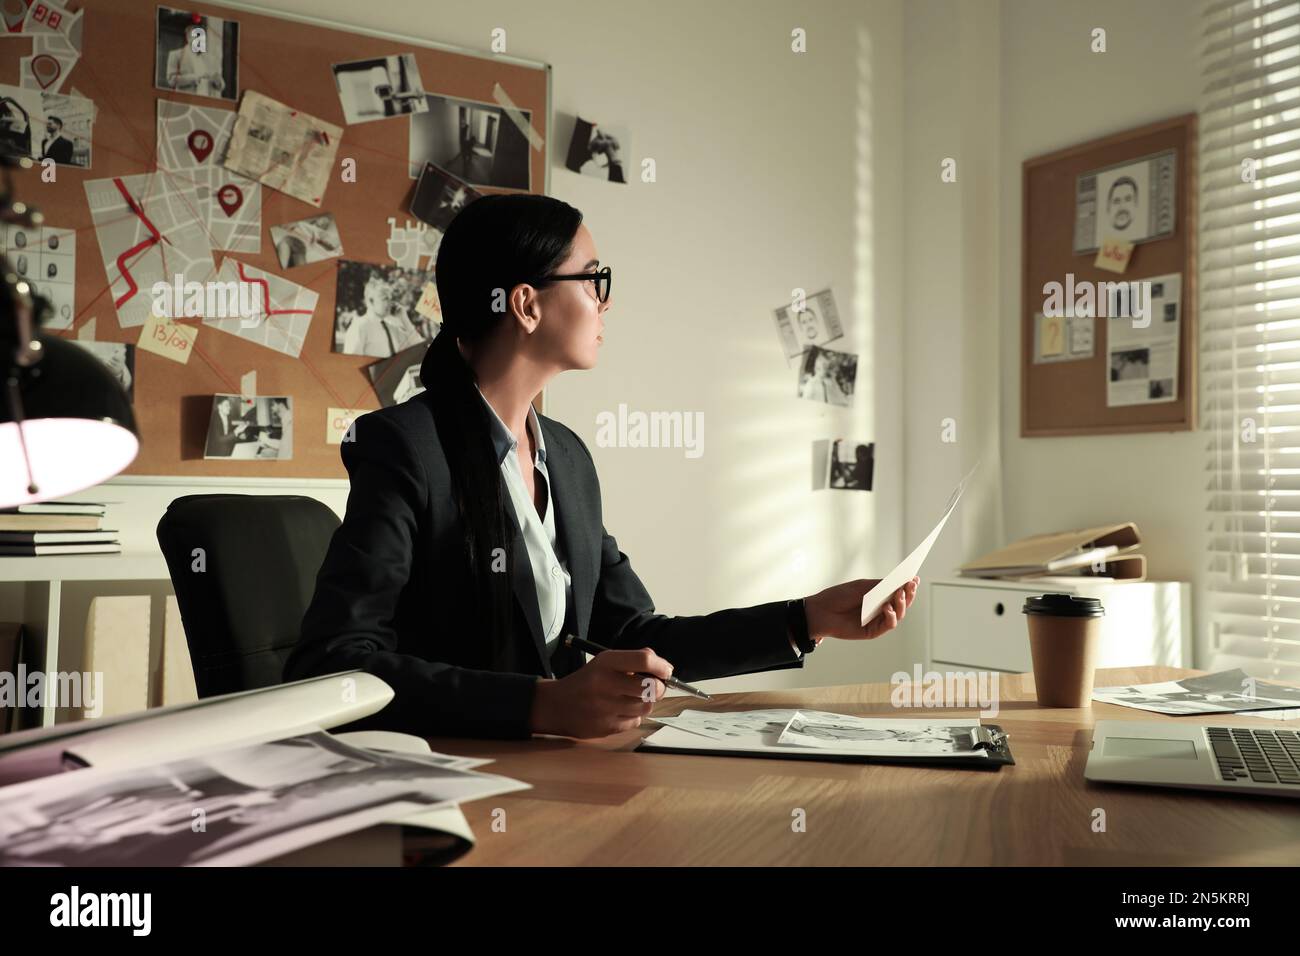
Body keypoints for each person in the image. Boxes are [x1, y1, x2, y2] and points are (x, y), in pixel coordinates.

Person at [285, 194, 917, 740]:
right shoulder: (406, 448)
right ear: (527, 305)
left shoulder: (567, 458)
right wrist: (539, 705)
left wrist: (805, 619)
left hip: (561, 778)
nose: (604, 302)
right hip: (458, 785)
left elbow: (637, 636)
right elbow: (335, 663)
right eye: (591, 279)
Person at [340, 274, 432, 358]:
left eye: (390, 298)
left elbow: (419, 347)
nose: (390, 303)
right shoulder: (360, 326)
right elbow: (350, 363)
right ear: (371, 301)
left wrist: (405, 319)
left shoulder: (392, 325)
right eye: (385, 299)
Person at [164, 15, 226, 98]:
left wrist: (218, 81)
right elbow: (171, 80)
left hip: (205, 102)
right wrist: (195, 77)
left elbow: (220, 86)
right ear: (188, 37)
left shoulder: (208, 59)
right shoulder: (176, 55)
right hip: (186, 101)